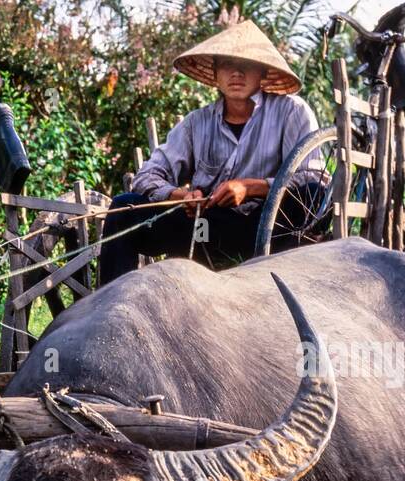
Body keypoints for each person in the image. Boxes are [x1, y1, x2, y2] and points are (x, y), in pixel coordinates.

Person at [97, 19, 327, 285]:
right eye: (227, 64)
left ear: (263, 73)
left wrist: (251, 188)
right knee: (124, 208)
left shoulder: (291, 111)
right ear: (216, 73)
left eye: (247, 65)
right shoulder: (197, 123)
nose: (237, 73)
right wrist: (180, 196)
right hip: (204, 228)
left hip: (265, 228)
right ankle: (111, 309)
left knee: (313, 193)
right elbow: (148, 175)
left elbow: (314, 179)